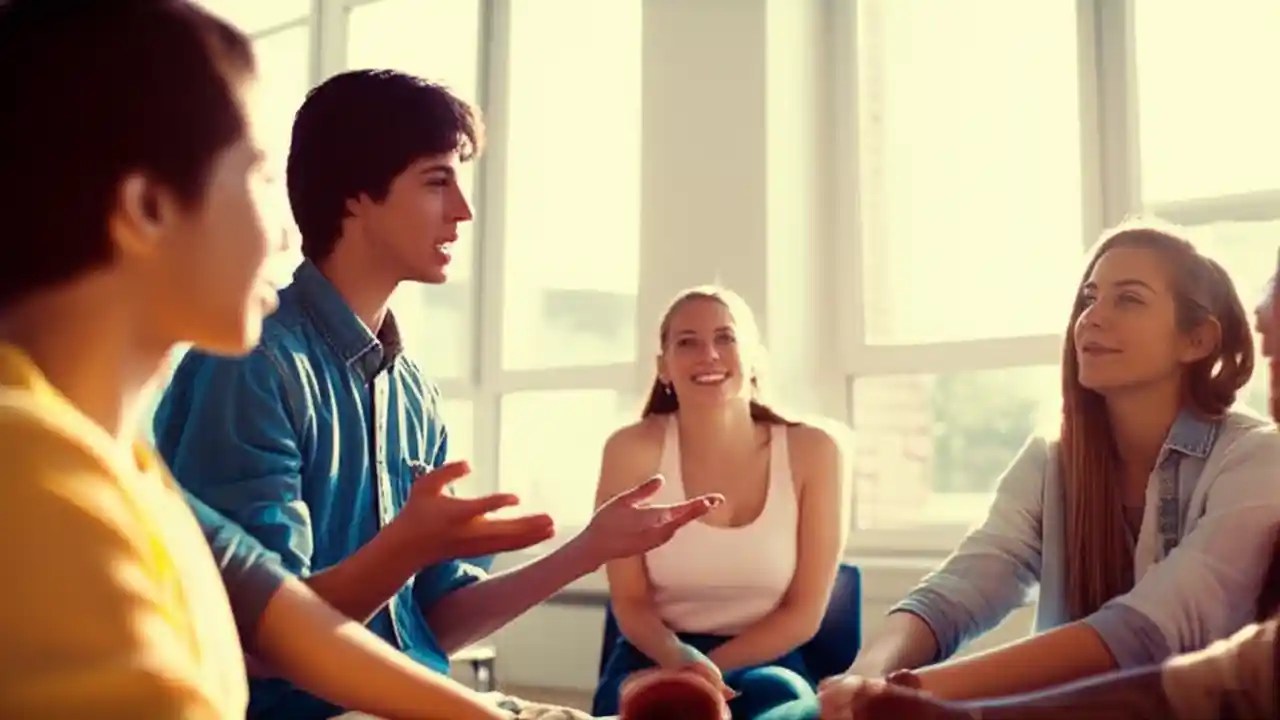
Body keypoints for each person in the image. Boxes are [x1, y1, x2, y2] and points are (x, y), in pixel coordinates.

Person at [153, 67, 721, 719]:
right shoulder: (251, 364)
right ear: (356, 196)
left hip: (421, 699)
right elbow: (263, 639)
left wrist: (589, 548)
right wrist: (409, 545)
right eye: (436, 181)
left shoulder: (411, 390)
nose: (463, 211)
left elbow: (429, 625)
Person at [809, 222, 1280, 717]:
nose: (1091, 318)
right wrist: (865, 672)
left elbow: (1148, 631)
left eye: (1129, 300)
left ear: (1198, 339)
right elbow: (960, 589)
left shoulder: (1256, 458)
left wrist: (907, 693)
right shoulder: (1049, 462)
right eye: (1090, 298)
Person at [592, 286, 848, 718]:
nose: (709, 353)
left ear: (754, 359)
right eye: (687, 342)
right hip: (655, 654)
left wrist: (705, 671)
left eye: (726, 338)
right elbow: (630, 602)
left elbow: (803, 613)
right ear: (664, 368)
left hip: (768, 657)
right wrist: (679, 662)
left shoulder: (816, 451)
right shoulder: (629, 450)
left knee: (777, 695)